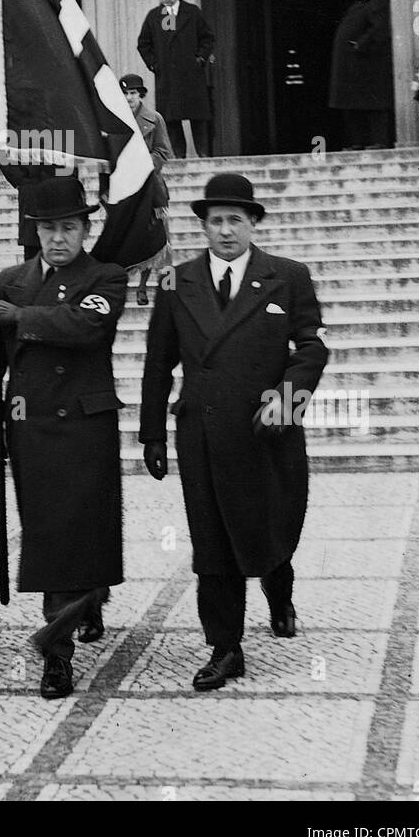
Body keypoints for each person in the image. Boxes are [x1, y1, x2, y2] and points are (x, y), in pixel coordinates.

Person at [139, 172, 328, 692]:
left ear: (253, 224)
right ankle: (226, 648)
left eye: (235, 221)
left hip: (267, 434)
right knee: (213, 542)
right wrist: (152, 432)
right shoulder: (177, 282)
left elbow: (311, 347)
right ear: (202, 226)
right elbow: (159, 363)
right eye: (215, 221)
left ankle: (279, 591)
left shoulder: (287, 276)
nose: (225, 231)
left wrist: (286, 401)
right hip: (202, 435)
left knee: (270, 527)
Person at [0, 175, 128, 700]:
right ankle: (72, 628)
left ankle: (60, 639)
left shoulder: (105, 276)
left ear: (86, 229)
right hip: (30, 425)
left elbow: (87, 327)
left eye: (68, 227)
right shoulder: (10, 280)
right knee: (47, 534)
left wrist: (24, 318)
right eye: (48, 228)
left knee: (84, 528)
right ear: (34, 231)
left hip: (87, 425)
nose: (58, 238)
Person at [137, 0, 215, 159]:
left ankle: (203, 154)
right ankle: (179, 156)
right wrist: (155, 65)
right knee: (172, 119)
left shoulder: (193, 12)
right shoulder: (158, 15)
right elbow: (144, 44)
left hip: (192, 74)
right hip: (168, 77)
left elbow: (208, 38)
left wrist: (200, 59)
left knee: (198, 118)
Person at [120, 74, 174, 305]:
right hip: (125, 188)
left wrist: (143, 164)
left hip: (152, 189)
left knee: (163, 242)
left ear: (140, 94)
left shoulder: (154, 119)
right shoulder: (115, 120)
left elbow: (163, 151)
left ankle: (165, 289)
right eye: (125, 93)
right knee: (127, 239)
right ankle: (120, 289)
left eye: (133, 93)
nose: (130, 97)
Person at [328, 0, 394, 149]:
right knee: (353, 106)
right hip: (353, 68)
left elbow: (379, 29)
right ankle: (358, 142)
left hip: (368, 67)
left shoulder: (377, 2)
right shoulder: (360, 3)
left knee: (374, 106)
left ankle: (379, 141)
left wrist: (359, 45)